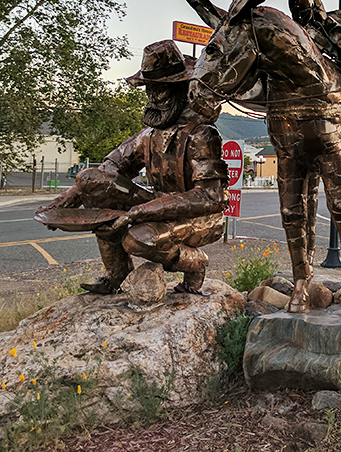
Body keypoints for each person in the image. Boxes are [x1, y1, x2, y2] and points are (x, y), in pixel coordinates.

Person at [38, 40, 229, 294]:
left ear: (178, 89)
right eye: (148, 88)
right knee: (91, 181)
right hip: (158, 205)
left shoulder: (201, 134)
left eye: (158, 89)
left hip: (200, 217)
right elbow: (109, 168)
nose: (151, 97)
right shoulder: (148, 135)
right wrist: (65, 202)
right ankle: (117, 275)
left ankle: (195, 264)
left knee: (138, 238)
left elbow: (211, 197)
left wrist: (138, 212)